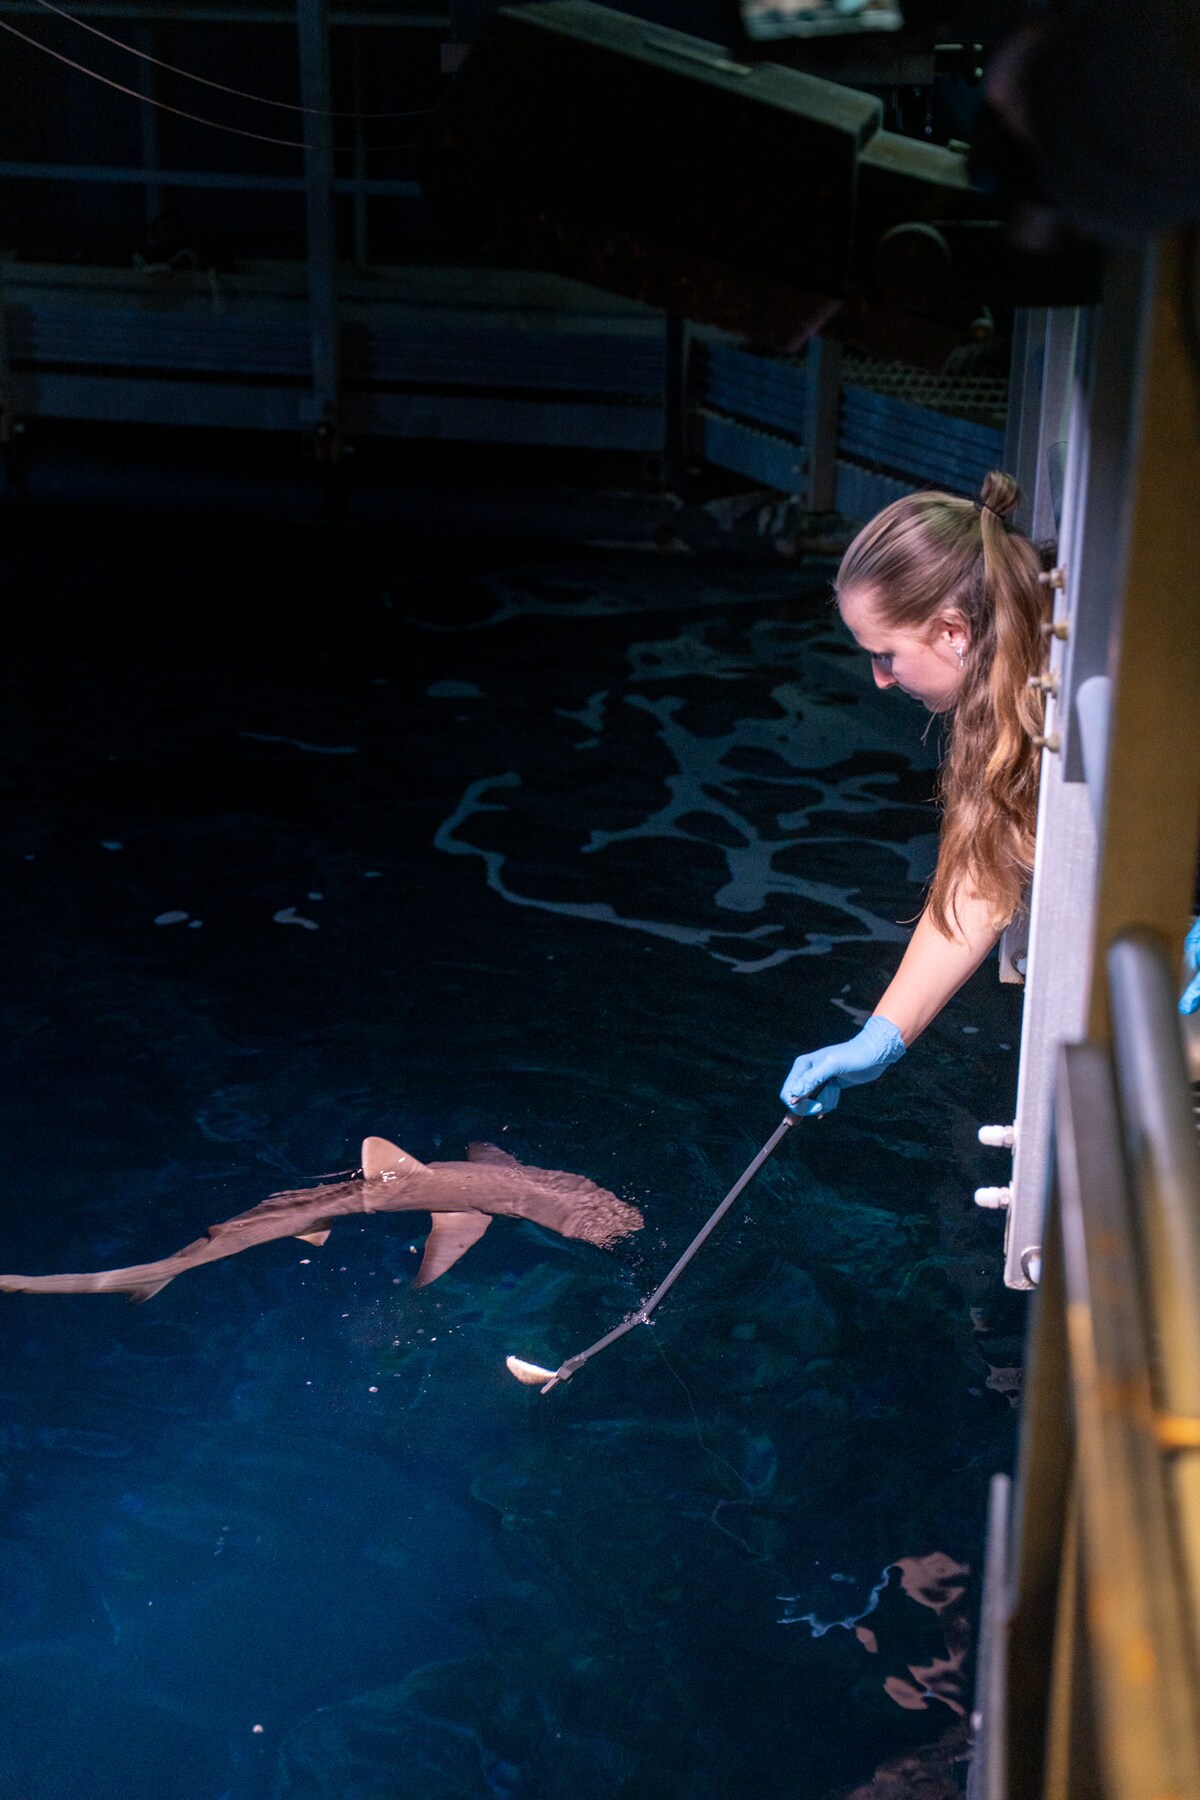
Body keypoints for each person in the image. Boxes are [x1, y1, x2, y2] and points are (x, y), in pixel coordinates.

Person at [780, 468, 1048, 1117]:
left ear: (954, 632)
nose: (879, 680)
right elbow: (982, 874)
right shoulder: (1002, 700)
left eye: (887, 655)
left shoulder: (1094, 690)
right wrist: (882, 1035)